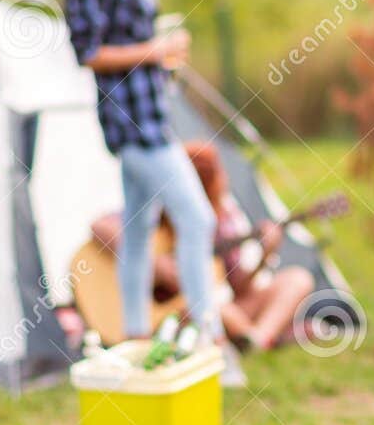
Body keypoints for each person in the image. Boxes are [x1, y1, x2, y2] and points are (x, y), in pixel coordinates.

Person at [62, 0, 244, 385]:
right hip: (133, 122)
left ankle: (136, 338)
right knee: (197, 219)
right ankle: (209, 338)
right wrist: (153, 49)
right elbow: (90, 52)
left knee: (139, 230)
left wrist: (158, 53)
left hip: (149, 110)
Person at [90, 142, 317, 353]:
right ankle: (260, 336)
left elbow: (239, 287)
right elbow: (99, 226)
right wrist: (155, 265)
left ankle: (257, 337)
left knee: (297, 279)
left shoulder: (219, 222)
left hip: (222, 309)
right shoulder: (156, 213)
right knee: (213, 307)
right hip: (180, 315)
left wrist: (265, 256)